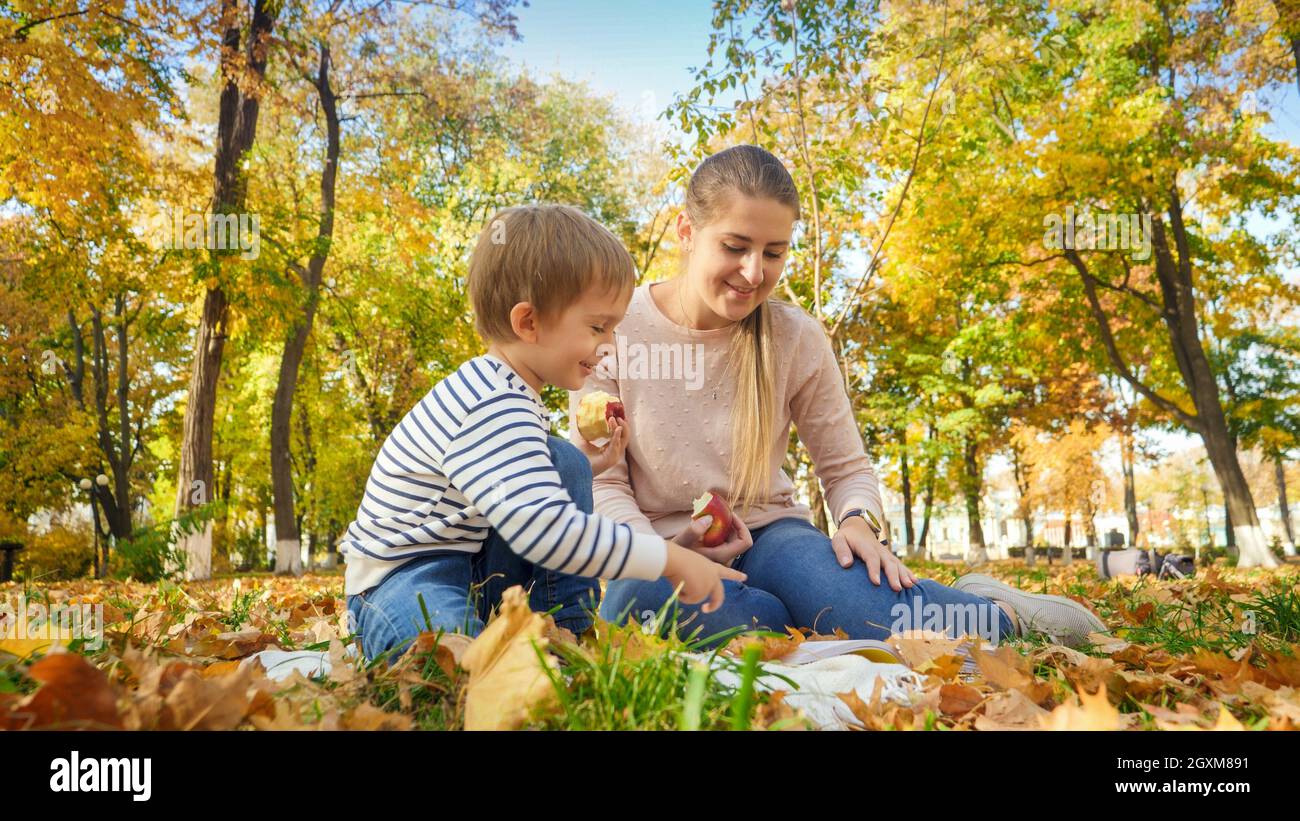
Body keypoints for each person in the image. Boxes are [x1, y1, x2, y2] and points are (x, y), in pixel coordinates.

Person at [570, 145, 1109, 650]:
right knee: (638, 607)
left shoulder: (794, 336)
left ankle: (999, 615)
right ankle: (811, 612)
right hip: (662, 548)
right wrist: (662, 557)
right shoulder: (615, 328)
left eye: (774, 253)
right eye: (735, 246)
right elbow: (602, 480)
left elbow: (846, 467)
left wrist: (855, 521)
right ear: (688, 231)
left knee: (859, 605)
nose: (754, 273)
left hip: (774, 537)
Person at [341, 204, 746, 664]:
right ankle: (488, 647)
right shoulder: (490, 402)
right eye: (598, 327)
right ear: (528, 323)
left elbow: (517, 480)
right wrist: (670, 560)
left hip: (470, 565)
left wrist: (591, 465)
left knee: (566, 459)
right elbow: (544, 531)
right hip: (401, 579)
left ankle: (566, 633)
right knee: (457, 661)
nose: (610, 343)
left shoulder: (513, 393)